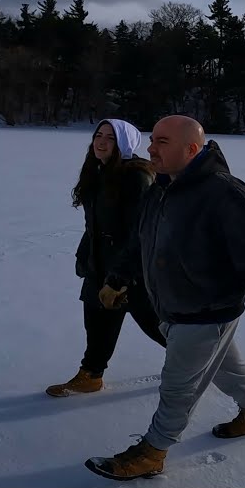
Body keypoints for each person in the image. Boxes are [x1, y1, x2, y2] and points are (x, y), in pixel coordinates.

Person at [86, 114, 245, 481]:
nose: (150, 148)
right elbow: (141, 239)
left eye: (162, 142)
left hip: (207, 307)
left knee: (178, 385)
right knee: (225, 367)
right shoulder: (163, 186)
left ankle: (153, 450)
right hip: (174, 303)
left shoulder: (223, 191)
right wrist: (118, 277)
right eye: (152, 140)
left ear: (191, 148)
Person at [47, 118, 166, 398]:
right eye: (98, 135)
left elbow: (140, 233)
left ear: (124, 143)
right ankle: (91, 374)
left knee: (157, 326)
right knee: (97, 320)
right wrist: (85, 255)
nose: (100, 142)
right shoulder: (98, 172)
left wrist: (122, 276)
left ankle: (202, 365)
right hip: (99, 264)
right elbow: (96, 224)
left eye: (110, 138)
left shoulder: (136, 176)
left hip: (130, 271)